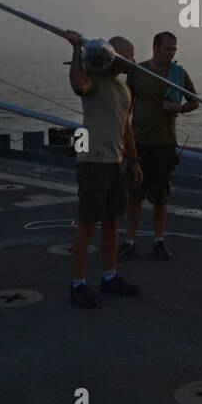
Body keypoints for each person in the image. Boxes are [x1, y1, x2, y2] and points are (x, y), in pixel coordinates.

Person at [65, 30, 144, 308]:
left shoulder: (124, 88)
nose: (133, 60)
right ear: (114, 55)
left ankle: (109, 277)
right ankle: (78, 284)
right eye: (129, 55)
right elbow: (77, 86)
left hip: (116, 162)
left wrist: (133, 161)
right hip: (93, 161)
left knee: (112, 221)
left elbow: (126, 127)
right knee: (88, 222)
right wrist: (76, 48)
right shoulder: (93, 78)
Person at [119, 31, 198, 261]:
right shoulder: (137, 72)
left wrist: (180, 109)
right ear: (155, 48)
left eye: (174, 50)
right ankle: (129, 241)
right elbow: (126, 107)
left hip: (165, 143)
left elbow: (194, 101)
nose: (172, 54)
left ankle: (158, 240)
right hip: (139, 142)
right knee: (135, 194)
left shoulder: (178, 74)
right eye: (168, 49)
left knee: (161, 196)